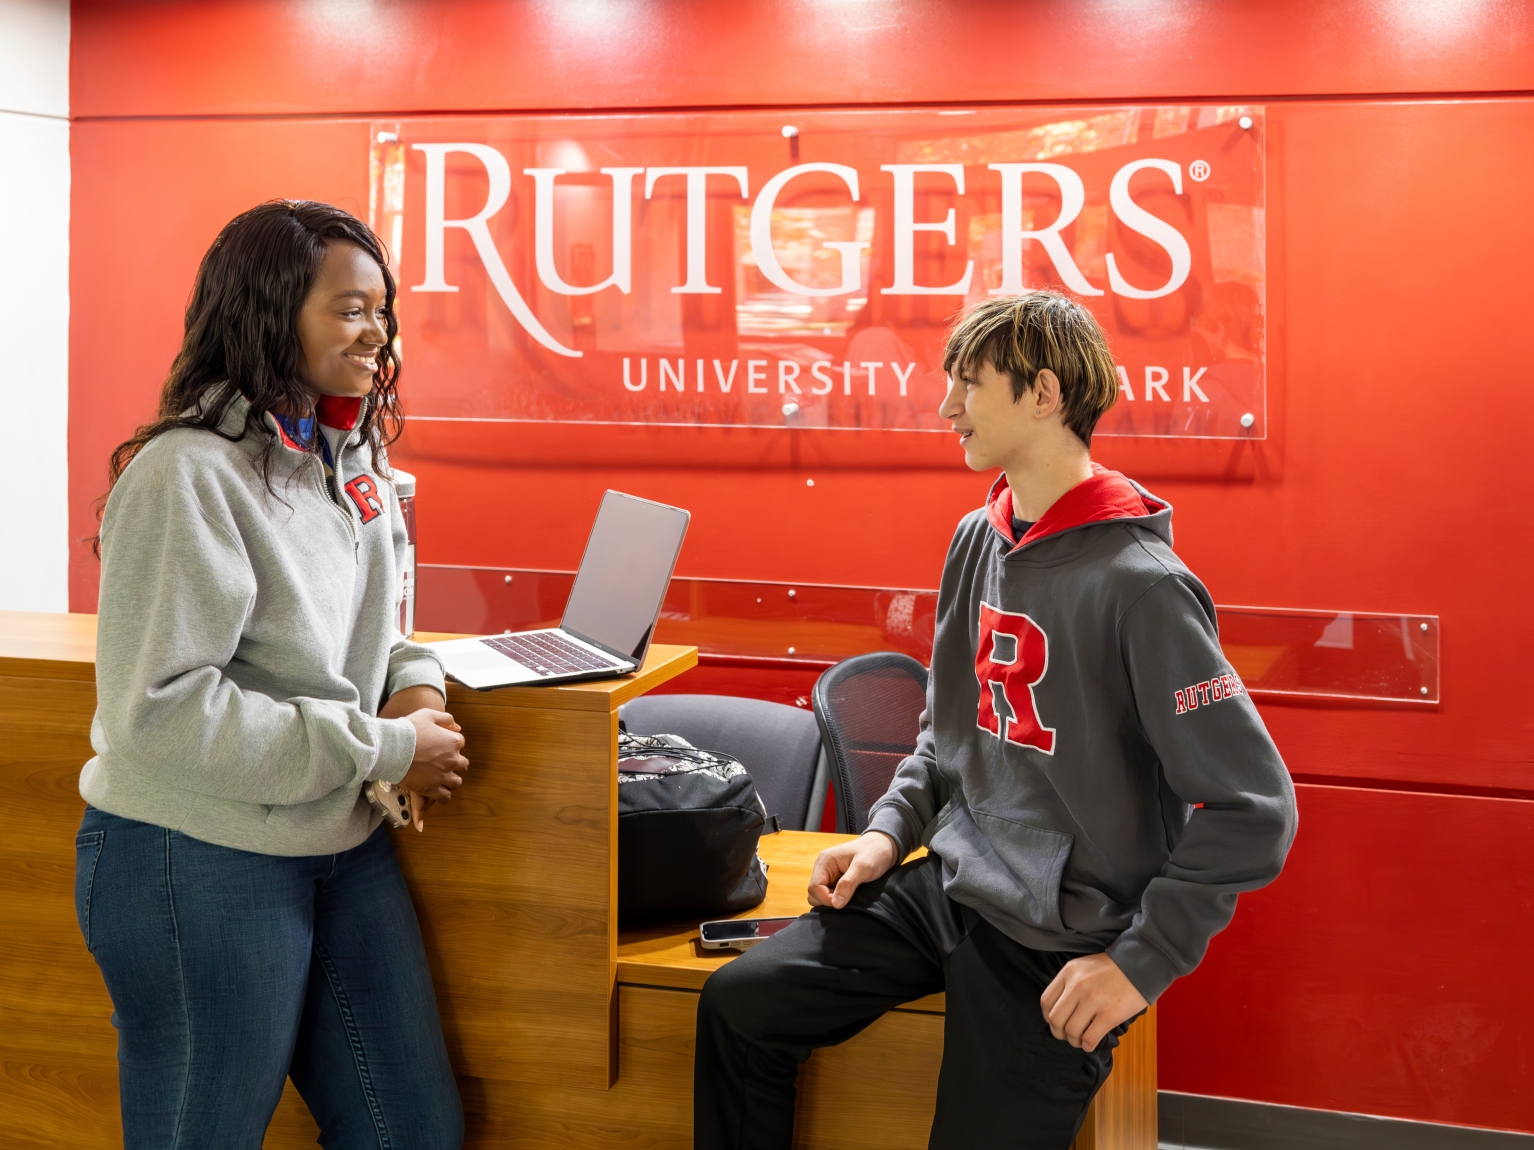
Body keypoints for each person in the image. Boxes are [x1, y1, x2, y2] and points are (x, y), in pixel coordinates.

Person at [694, 291, 1298, 1149]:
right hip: (950, 886)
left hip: (1058, 939)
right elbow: (948, 730)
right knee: (740, 1006)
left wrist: (1140, 965)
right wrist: (885, 835)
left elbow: (1257, 809)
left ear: (1045, 394)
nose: (947, 408)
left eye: (969, 385)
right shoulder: (978, 539)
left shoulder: (1146, 586)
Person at [75, 200, 469, 1149]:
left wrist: (417, 686)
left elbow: (373, 636)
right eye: (348, 309)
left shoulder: (351, 455)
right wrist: (384, 745)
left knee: (409, 1132)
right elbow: (161, 715)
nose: (376, 332)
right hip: (193, 856)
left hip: (338, 844)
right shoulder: (186, 476)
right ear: (267, 311)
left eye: (382, 309)